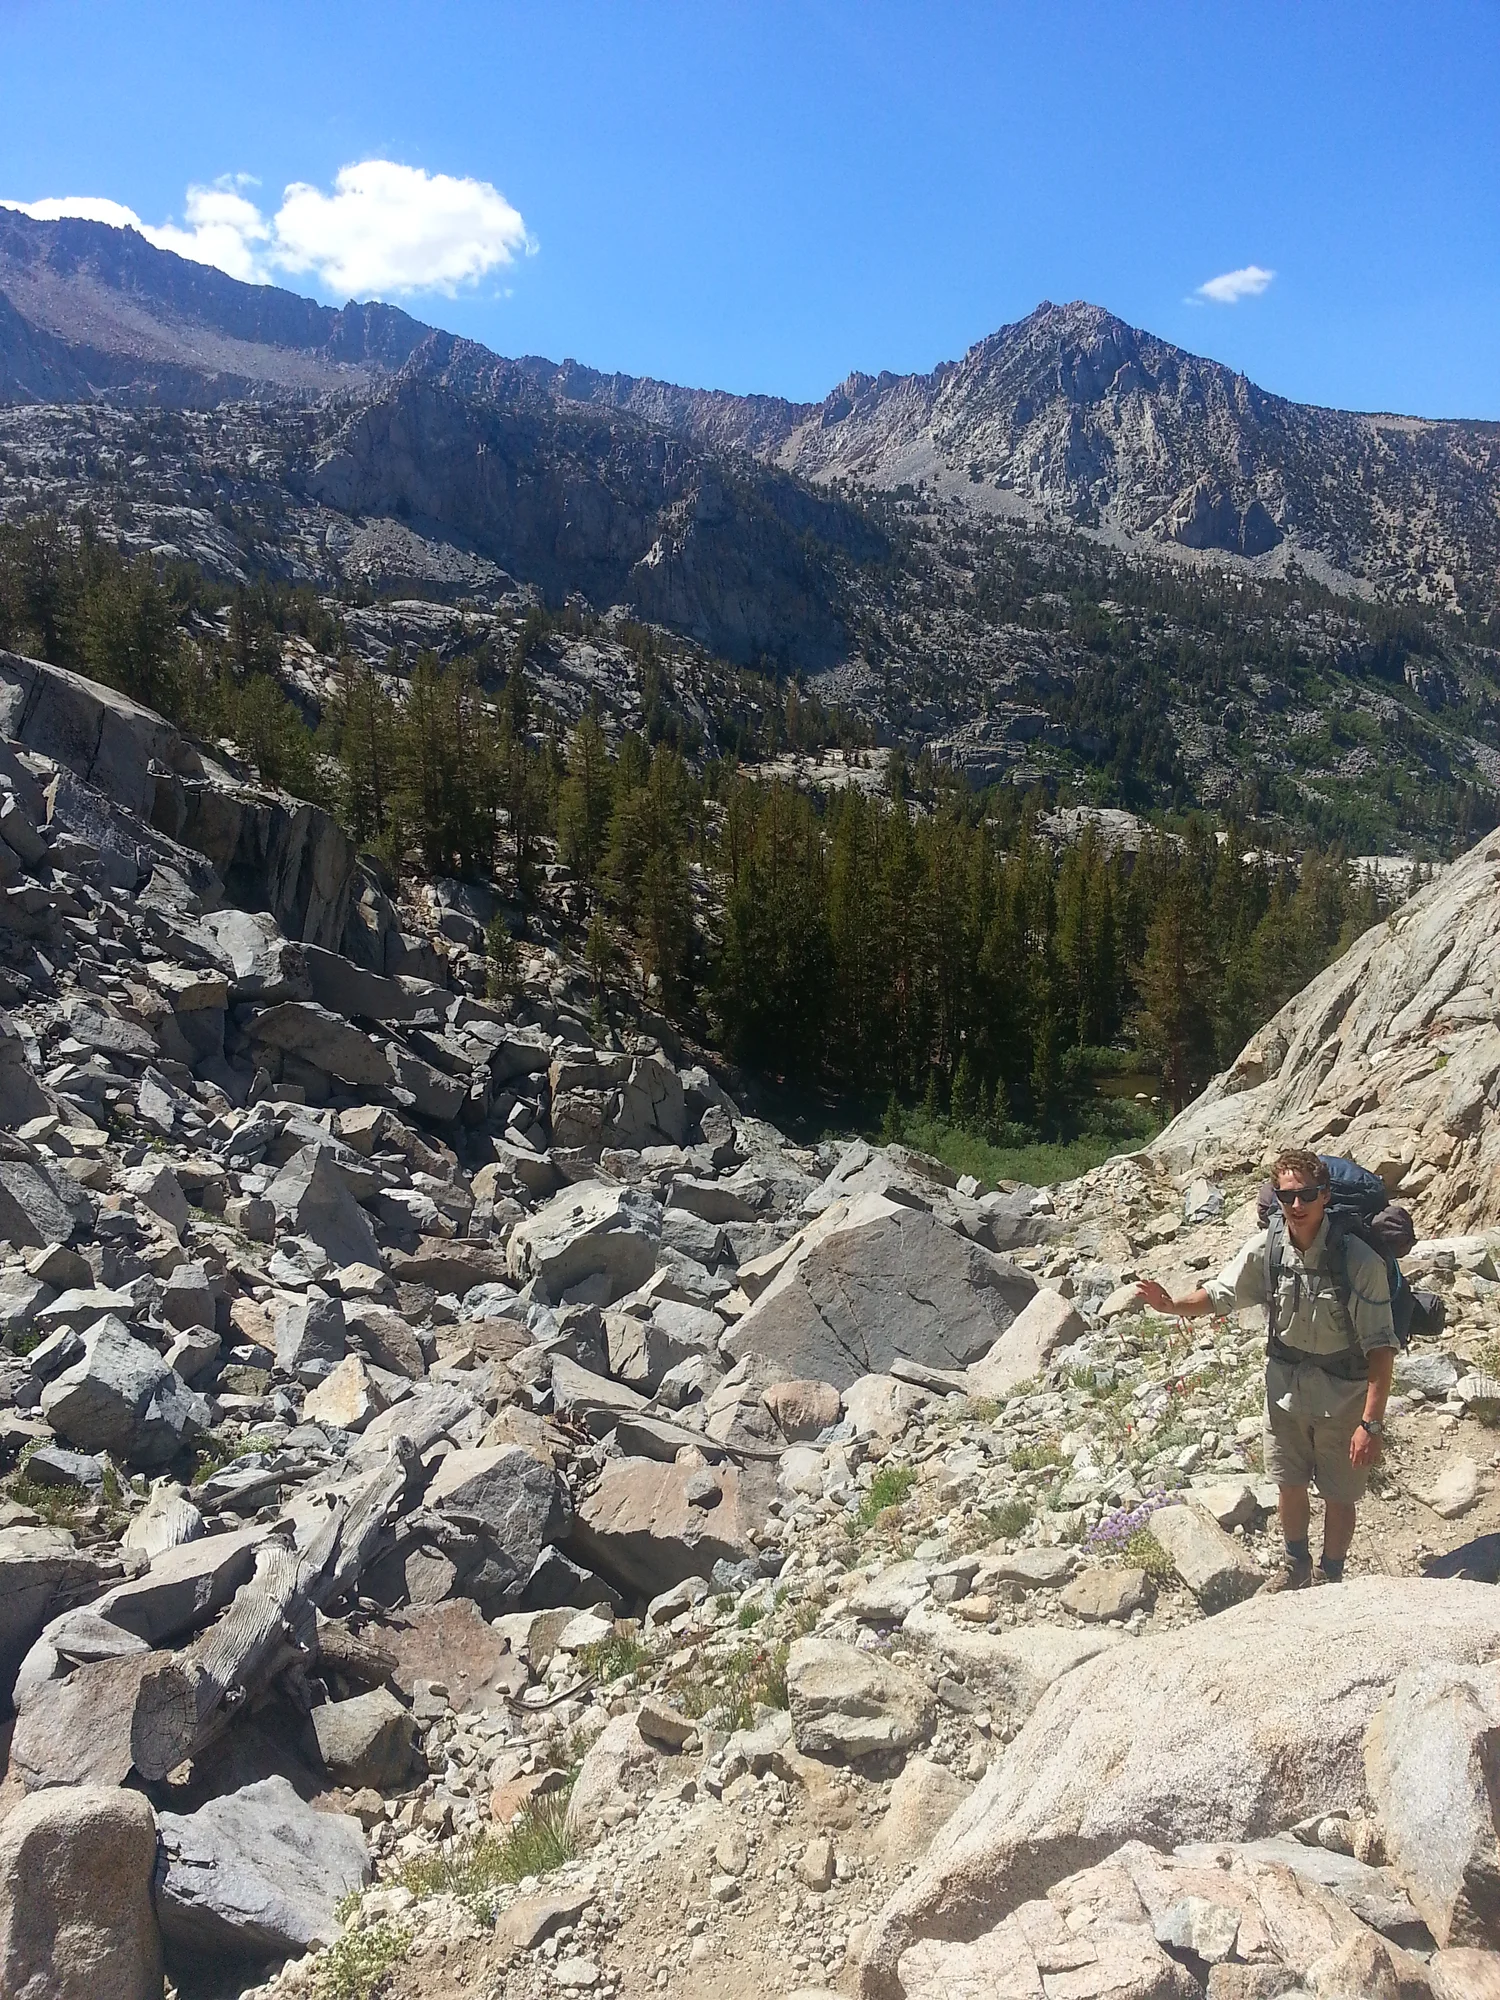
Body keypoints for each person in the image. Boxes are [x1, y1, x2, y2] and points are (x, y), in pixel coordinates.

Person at [1136, 1146, 1396, 1591]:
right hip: (1285, 1390)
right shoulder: (1268, 1248)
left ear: (1326, 1196)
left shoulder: (1359, 1262)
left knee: (1339, 1493)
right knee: (1288, 1481)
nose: (1296, 1205)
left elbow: (1381, 1349)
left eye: (1306, 1195)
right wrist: (1172, 1304)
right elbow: (1222, 1293)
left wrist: (1370, 1424)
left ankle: (1330, 1575)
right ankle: (1295, 1566)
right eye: (1286, 1196)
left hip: (1344, 1396)